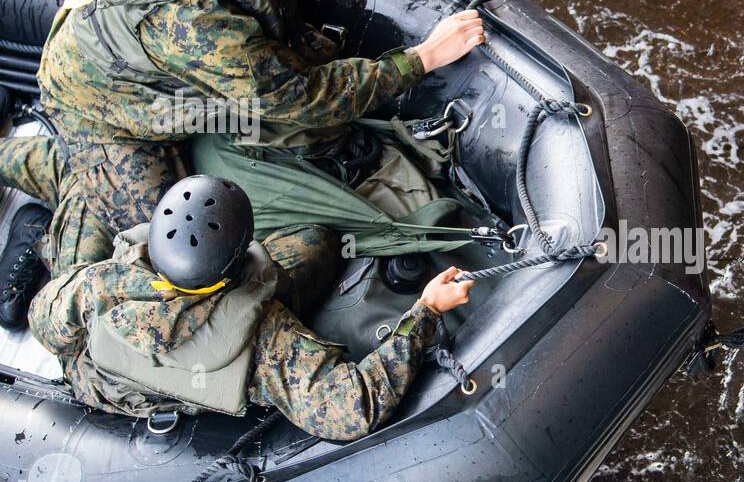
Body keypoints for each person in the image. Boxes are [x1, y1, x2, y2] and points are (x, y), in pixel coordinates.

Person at [31, 0, 483, 295]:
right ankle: (51, 231)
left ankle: (56, 167)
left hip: (156, 73)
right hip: (106, 110)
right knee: (170, 244)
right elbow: (302, 98)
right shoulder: (195, 23)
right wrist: (421, 58)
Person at [24, 172, 472, 441]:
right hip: (206, 362)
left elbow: (46, 326)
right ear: (235, 264)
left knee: (80, 194)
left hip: (100, 382)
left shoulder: (98, 283)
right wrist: (425, 312)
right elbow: (351, 408)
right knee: (316, 241)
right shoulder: (269, 338)